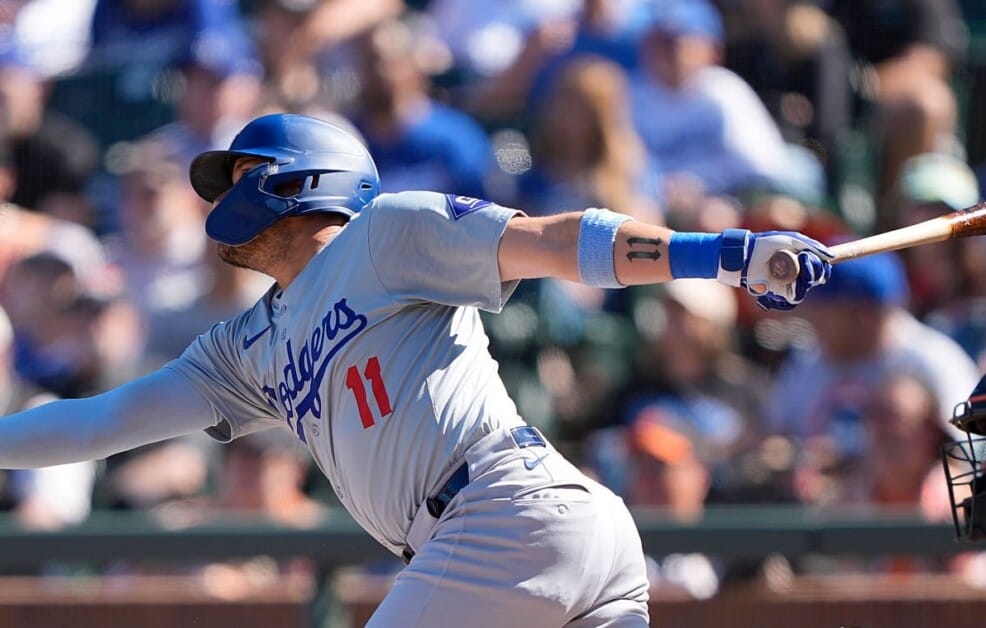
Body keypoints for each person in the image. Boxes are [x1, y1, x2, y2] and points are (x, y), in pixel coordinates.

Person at [0, 112, 832, 626]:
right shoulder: (243, 346)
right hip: (520, 534)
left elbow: (556, 240)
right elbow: (97, 424)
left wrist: (727, 254)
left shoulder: (386, 233)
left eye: (244, 171)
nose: (224, 194)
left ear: (306, 176)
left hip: (504, 514)